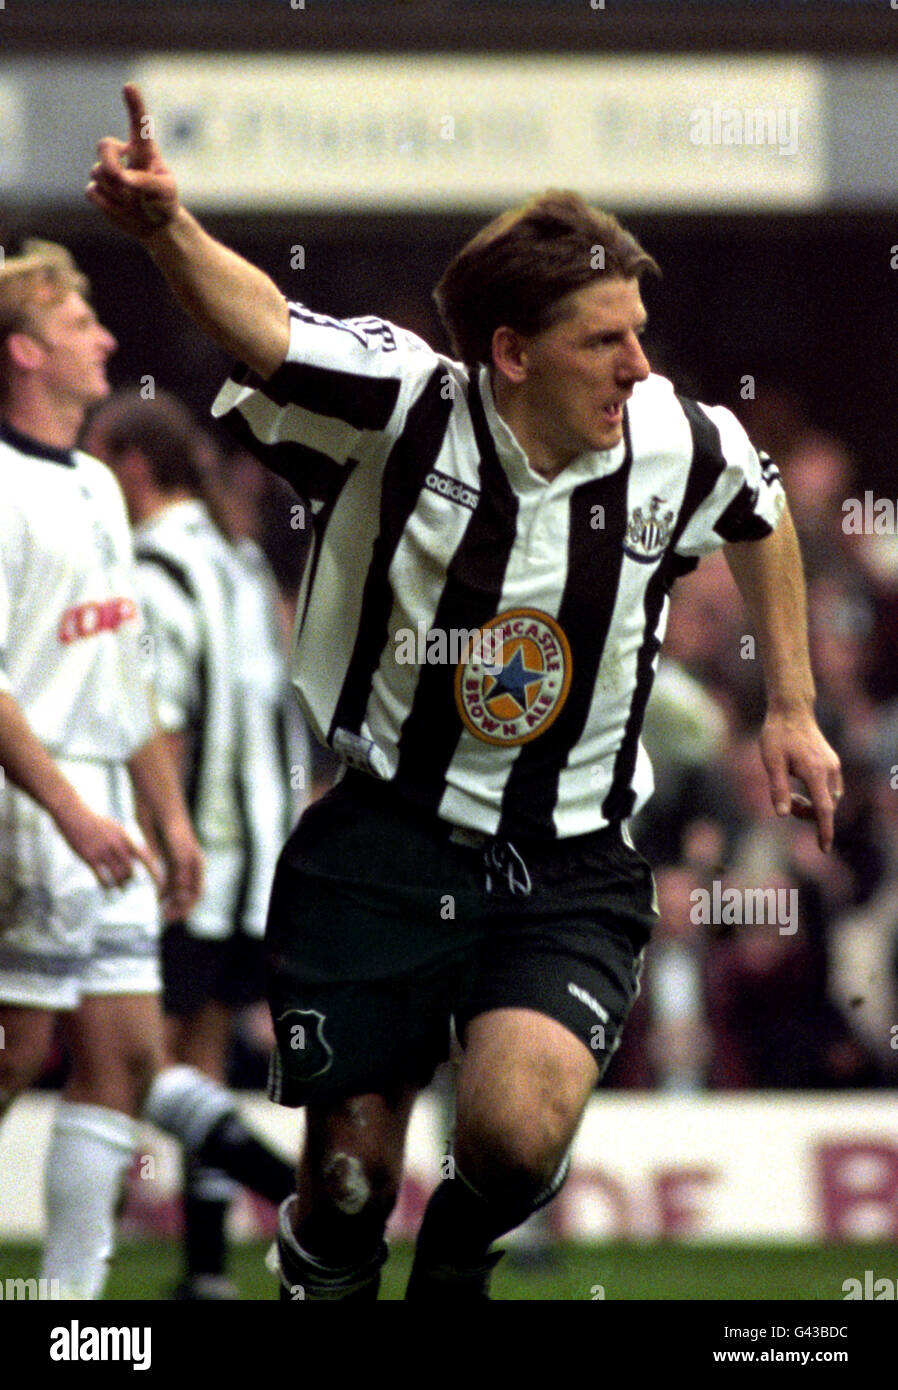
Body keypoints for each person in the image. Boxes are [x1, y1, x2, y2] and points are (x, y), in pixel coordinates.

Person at [87, 85, 843, 1301]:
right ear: (511, 352)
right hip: (384, 841)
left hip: (570, 858)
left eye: (640, 330)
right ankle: (324, 1271)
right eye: (608, 339)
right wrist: (168, 229)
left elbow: (760, 514)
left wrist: (790, 704)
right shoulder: (399, 404)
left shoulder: (670, 435)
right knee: (344, 1185)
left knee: (514, 1133)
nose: (640, 365)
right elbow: (269, 330)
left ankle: (453, 1271)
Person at [0, 241, 293, 1300]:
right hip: (30, 800)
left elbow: (124, 672)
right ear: (27, 351)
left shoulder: (91, 483)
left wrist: (168, 820)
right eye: (83, 326)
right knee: (20, 1048)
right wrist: (74, 809)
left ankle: (69, 1312)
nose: (108, 341)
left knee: (123, 1058)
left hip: (110, 807)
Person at [85, 387, 301, 1298]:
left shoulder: (151, 569)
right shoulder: (242, 562)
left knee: (123, 1065)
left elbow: (159, 720)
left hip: (181, 860)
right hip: (253, 864)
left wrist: (150, 835)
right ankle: (209, 1272)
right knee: (197, 1064)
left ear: (133, 466)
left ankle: (296, 1197)